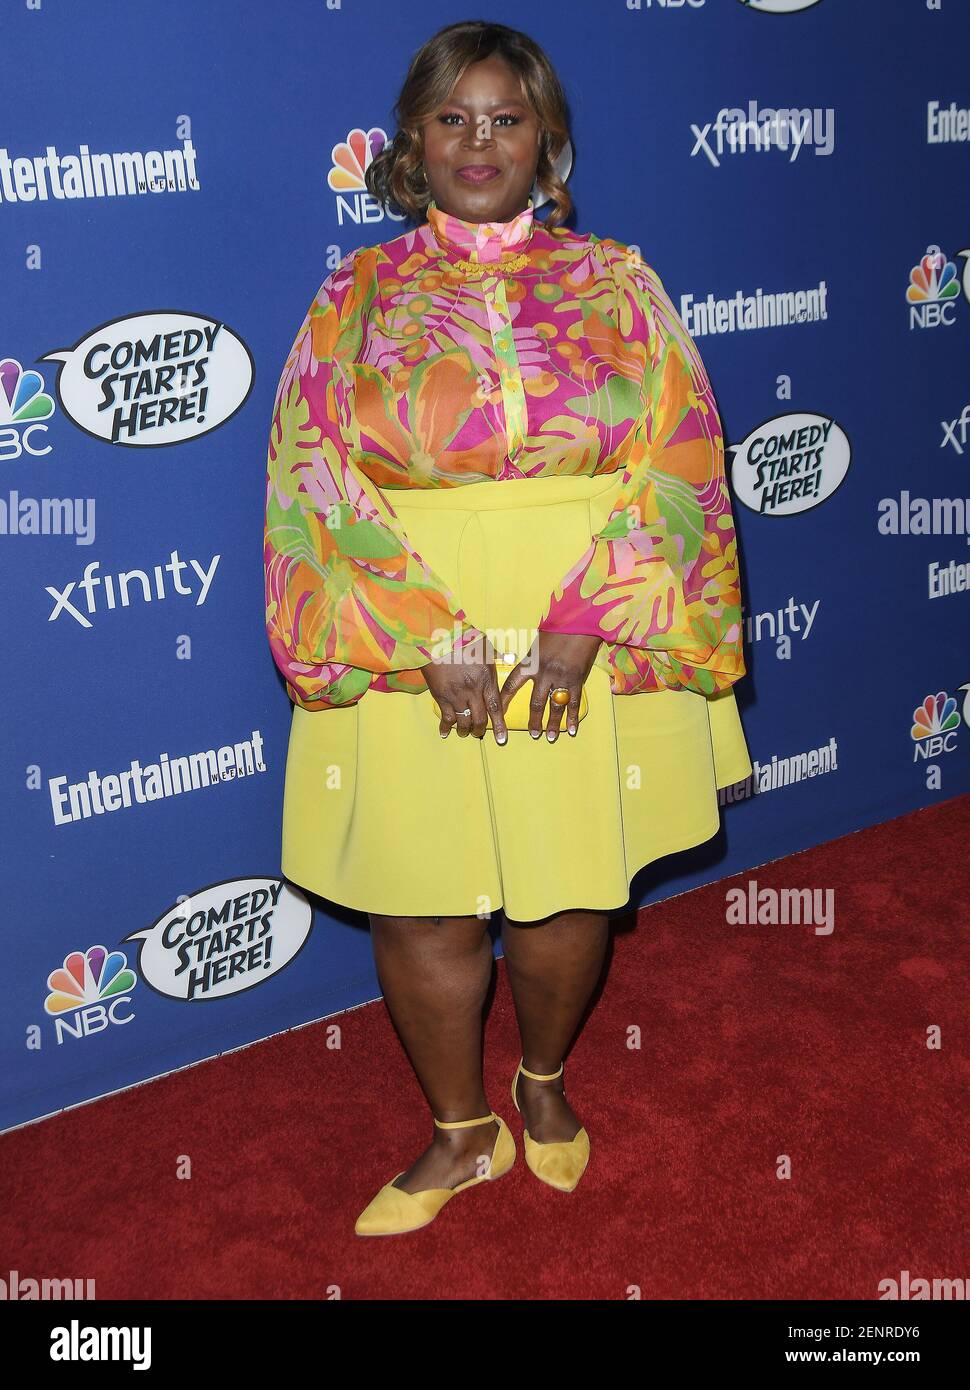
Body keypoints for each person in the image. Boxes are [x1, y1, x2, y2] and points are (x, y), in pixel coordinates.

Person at [263, 19, 752, 1237]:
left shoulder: (620, 280)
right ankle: (456, 1131)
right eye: (452, 118)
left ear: (547, 141)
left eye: (506, 117)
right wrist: (424, 629)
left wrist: (589, 618)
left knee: (564, 878)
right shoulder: (354, 295)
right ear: (413, 143)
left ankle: (541, 1087)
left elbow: (682, 445)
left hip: (587, 613)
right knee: (421, 897)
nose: (479, 141)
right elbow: (308, 469)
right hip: (404, 618)